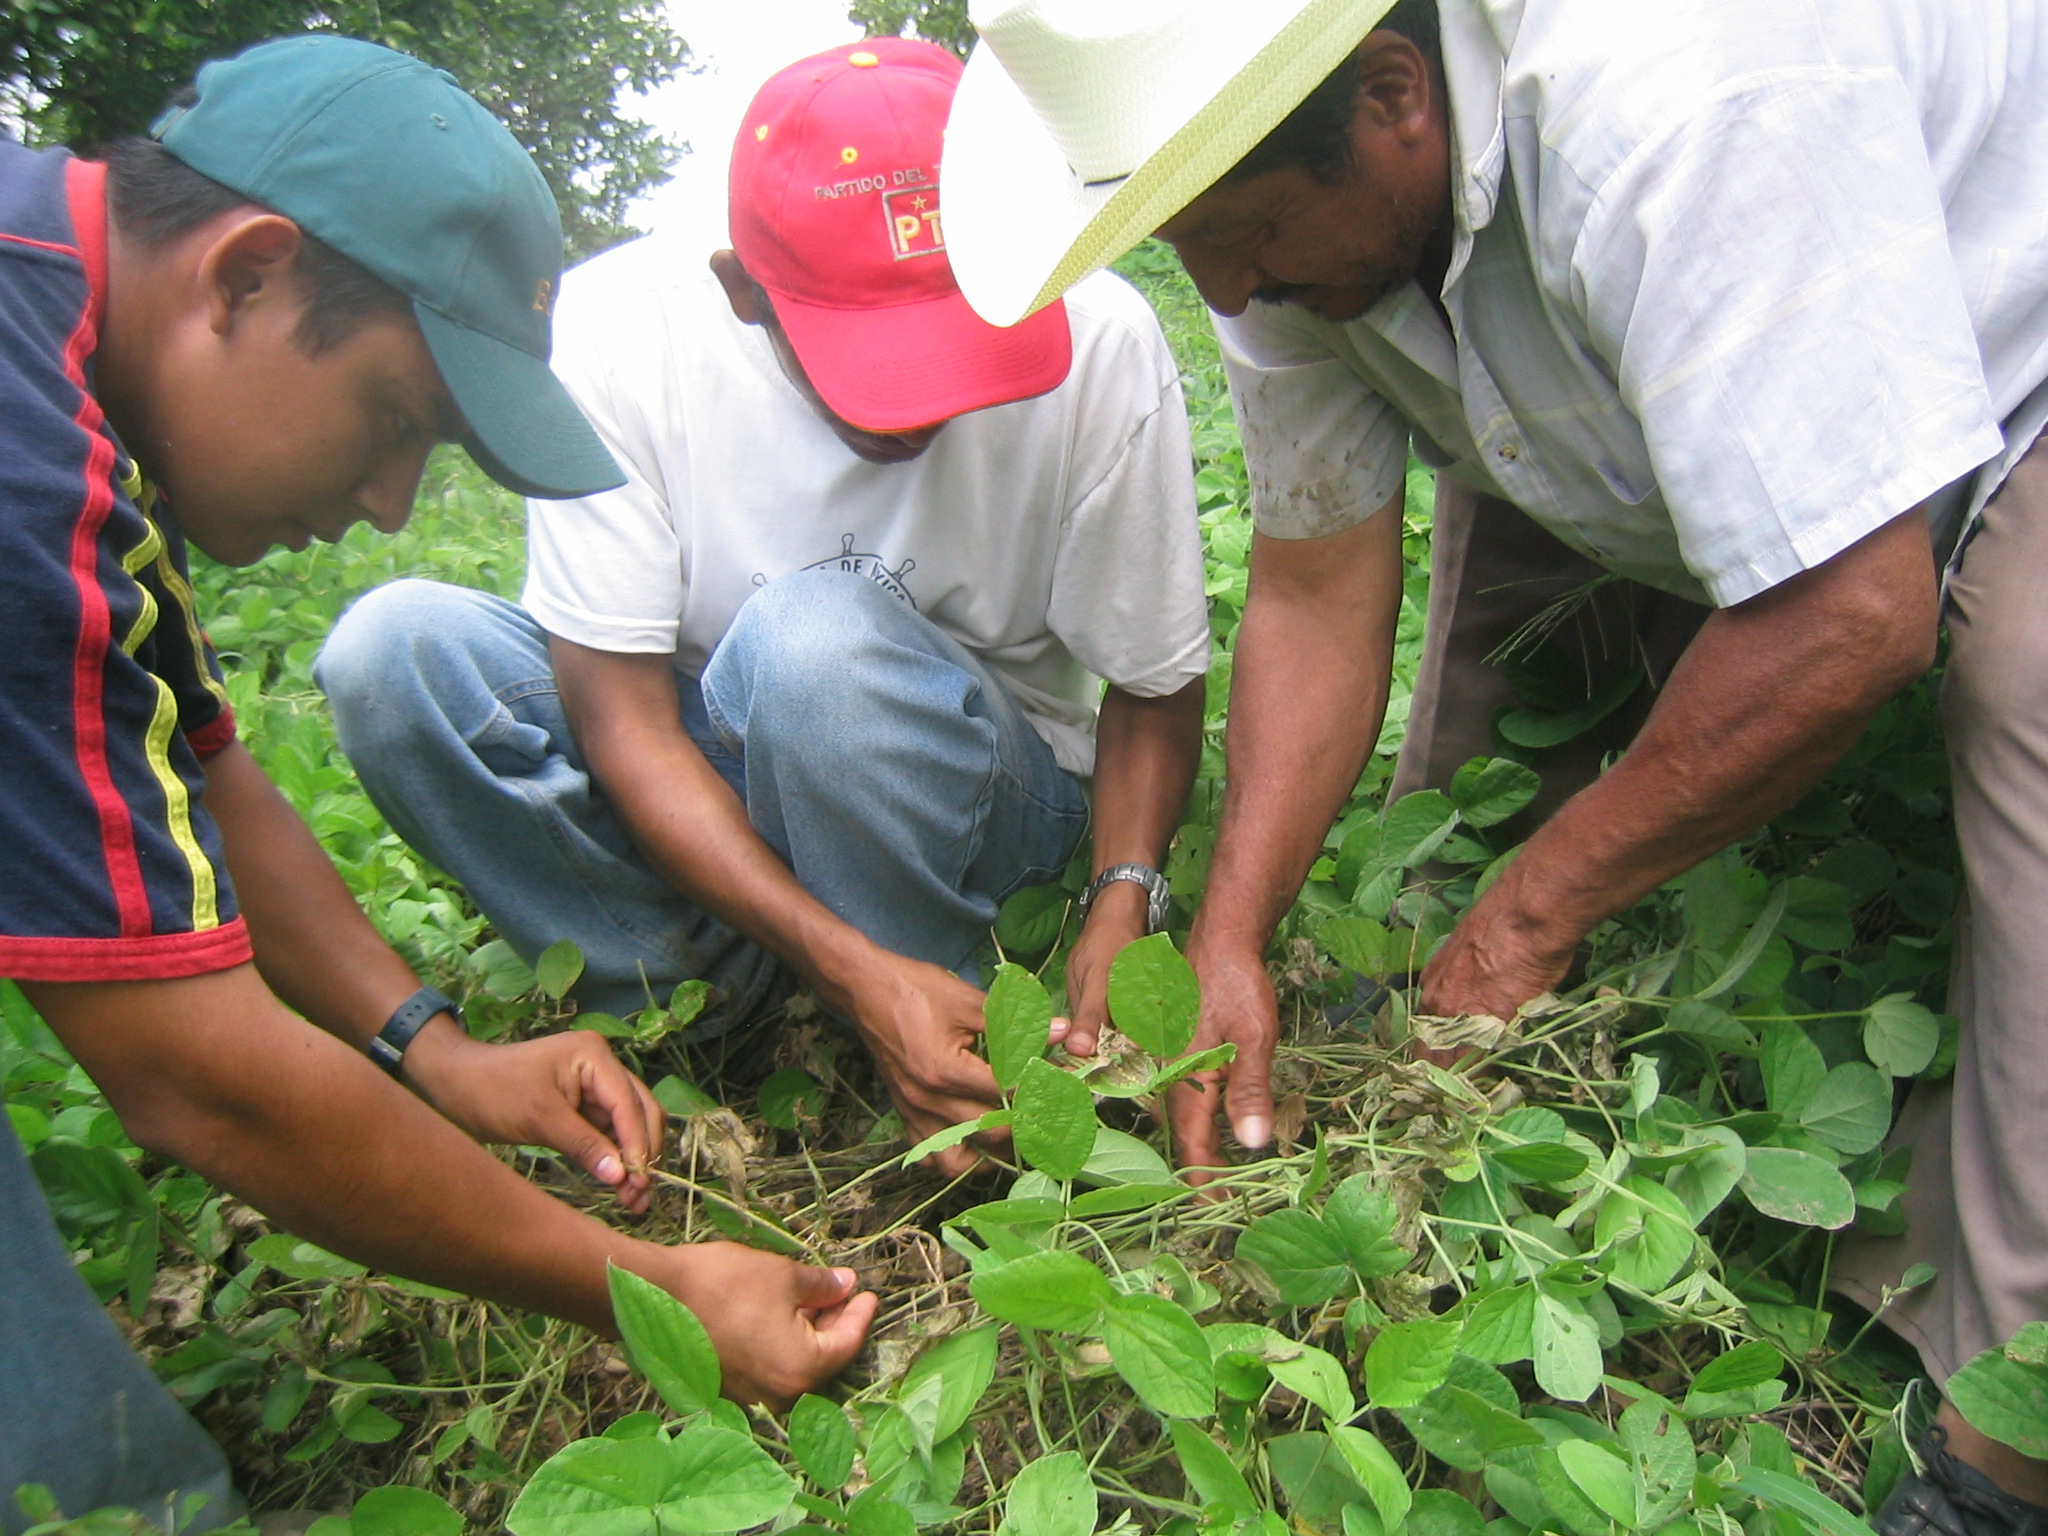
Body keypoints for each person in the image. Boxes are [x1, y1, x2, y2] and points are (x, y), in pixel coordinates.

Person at [941, 0, 2048, 1528]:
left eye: (1247, 231)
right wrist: (1233, 932)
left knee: (2030, 678)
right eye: (1187, 244)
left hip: (2013, 352)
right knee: (1456, 865)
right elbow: (1320, 582)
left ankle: (2009, 1440)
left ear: (1396, 91)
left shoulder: (1681, 84)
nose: (1227, 286)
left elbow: (1855, 618)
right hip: (1615, 346)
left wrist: (1543, 906)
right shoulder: (1278, 184)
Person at [0, 36, 873, 1532]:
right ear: (247, 275)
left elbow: (199, 758)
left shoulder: (59, 333)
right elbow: (193, 1072)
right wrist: (656, 1291)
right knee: (101, 1500)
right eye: (395, 419)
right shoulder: (24, 467)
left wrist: (436, 1050)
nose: (387, 503)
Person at [315, 39, 1210, 1179]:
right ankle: (708, 998)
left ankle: (951, 1010)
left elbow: (1153, 679)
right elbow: (625, 720)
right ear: (743, 288)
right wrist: (838, 960)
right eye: (875, 357)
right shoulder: (616, 336)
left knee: (813, 648)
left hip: (977, 779)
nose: (920, 405)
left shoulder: (1100, 335)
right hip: (721, 744)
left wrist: (1121, 890)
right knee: (391, 659)